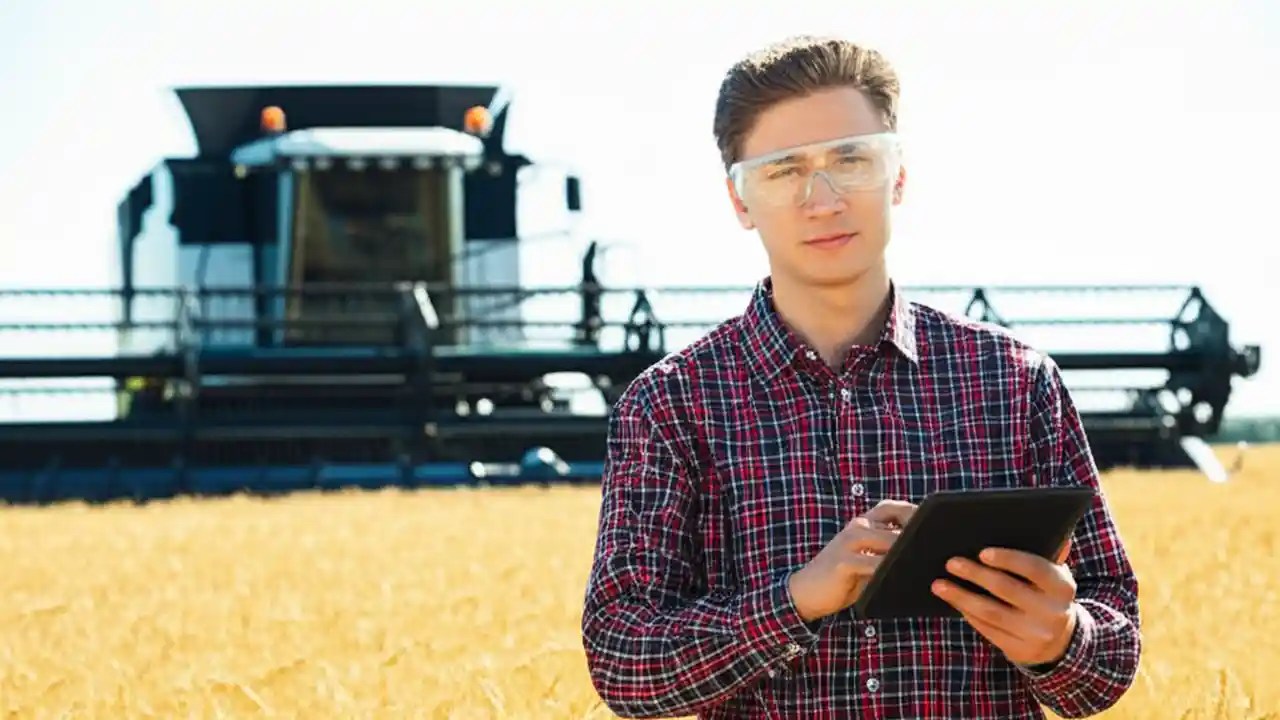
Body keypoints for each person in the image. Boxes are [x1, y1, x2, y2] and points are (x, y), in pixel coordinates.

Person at [580, 34, 1141, 719]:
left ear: (898, 175)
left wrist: (1061, 639)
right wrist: (797, 599)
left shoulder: (1015, 383)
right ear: (739, 200)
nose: (823, 198)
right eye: (784, 170)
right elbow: (622, 661)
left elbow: (1110, 651)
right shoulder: (670, 405)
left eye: (853, 159)